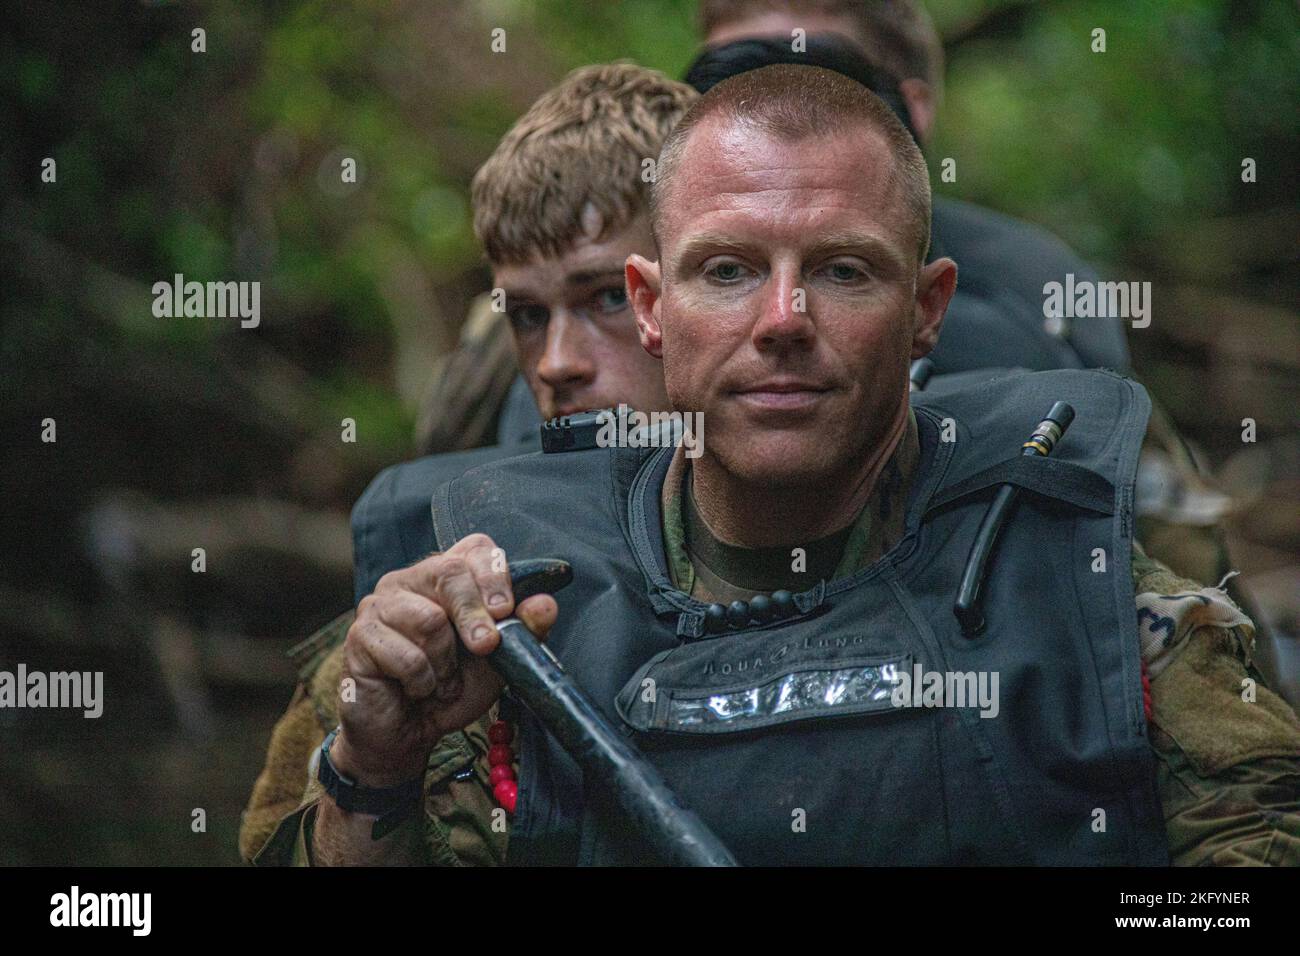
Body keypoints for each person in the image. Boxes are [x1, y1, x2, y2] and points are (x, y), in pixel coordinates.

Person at [250, 66, 1300, 866]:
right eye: (727, 271)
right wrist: (369, 770)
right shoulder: (470, 627)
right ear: (657, 304)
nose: (782, 321)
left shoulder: (1104, 611)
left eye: (841, 270)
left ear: (925, 311)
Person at [237, 63, 697, 863]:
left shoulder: (837, 545)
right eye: (526, 314)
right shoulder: (427, 613)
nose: (555, 362)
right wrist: (372, 768)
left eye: (608, 297)